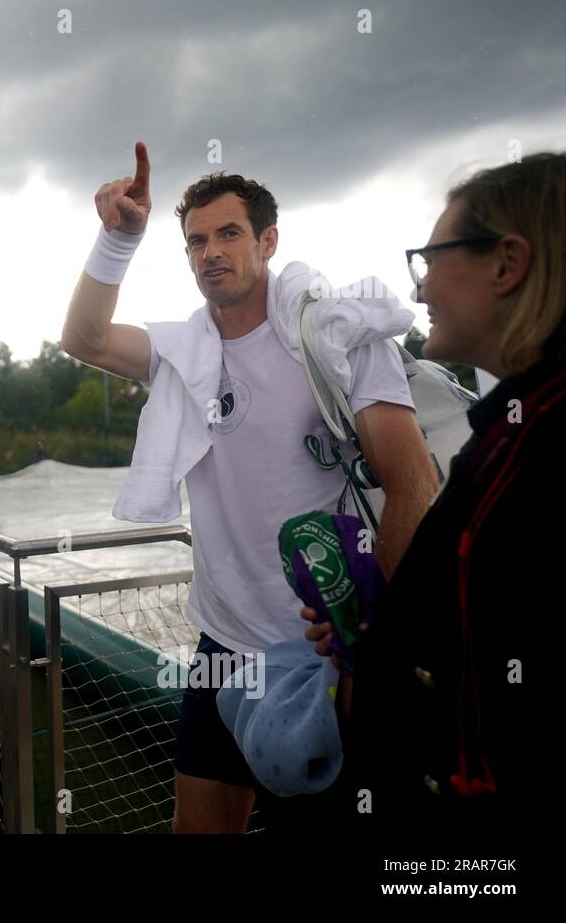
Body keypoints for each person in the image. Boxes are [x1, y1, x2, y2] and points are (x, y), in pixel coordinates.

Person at [61, 142, 438, 833]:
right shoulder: (184, 354)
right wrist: (118, 239)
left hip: (325, 648)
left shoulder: (337, 336)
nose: (210, 251)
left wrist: (367, 644)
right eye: (195, 241)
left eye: (229, 233)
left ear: (268, 240)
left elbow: (414, 484)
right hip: (223, 643)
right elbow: (83, 339)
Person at [303, 152, 565, 831]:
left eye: (430, 260)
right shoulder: (508, 429)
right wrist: (384, 626)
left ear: (507, 265)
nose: (418, 293)